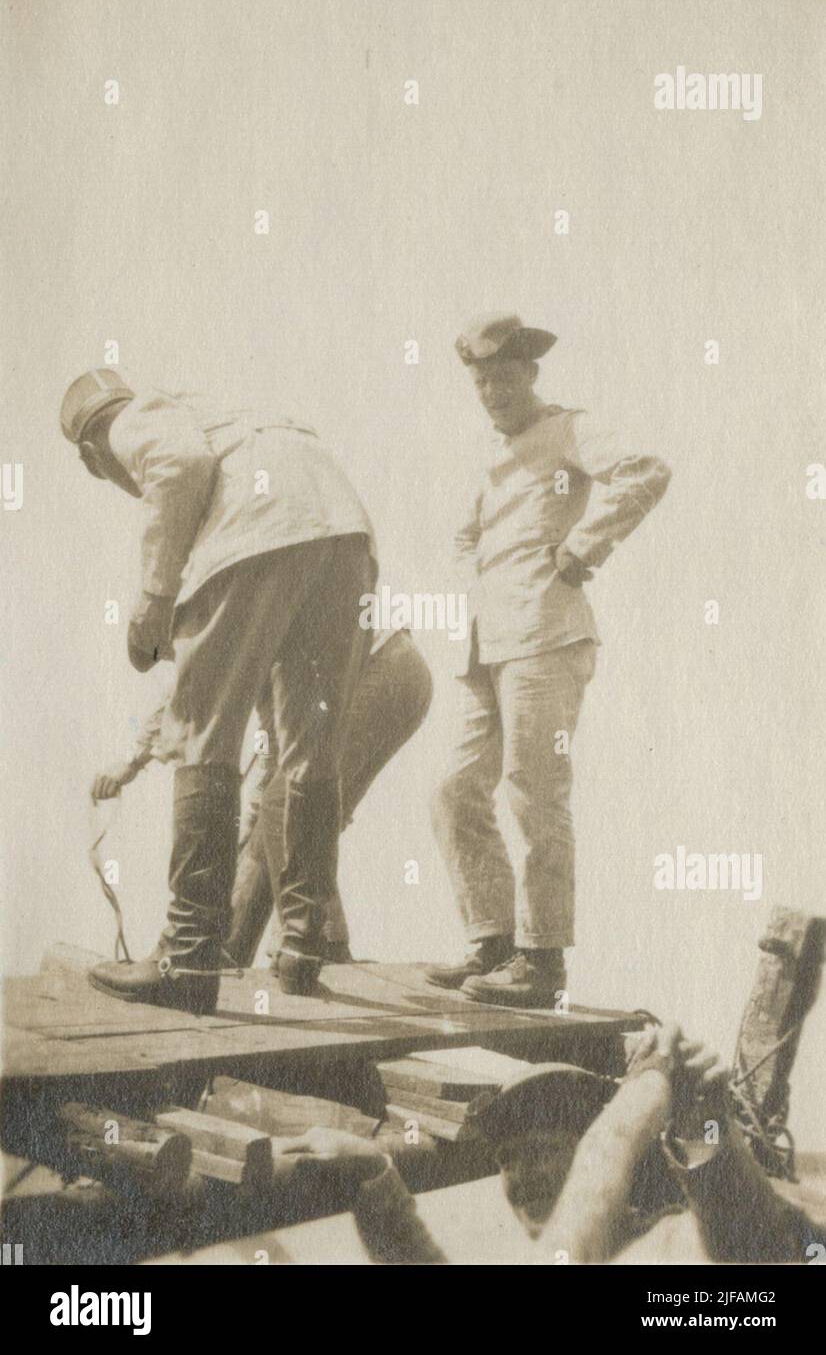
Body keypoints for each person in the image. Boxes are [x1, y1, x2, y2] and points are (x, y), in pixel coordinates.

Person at [61, 368, 376, 1005]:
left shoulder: (128, 421)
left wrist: (155, 597)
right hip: (341, 528)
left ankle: (189, 958)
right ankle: (303, 947)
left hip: (260, 529)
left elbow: (176, 464)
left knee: (206, 740)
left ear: (95, 456)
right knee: (310, 746)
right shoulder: (213, 400)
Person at [427, 314, 672, 1006]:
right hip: (486, 646)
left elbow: (646, 471)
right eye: (481, 382)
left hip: (546, 636)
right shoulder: (487, 452)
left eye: (504, 378)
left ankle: (541, 962)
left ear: (531, 374)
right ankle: (494, 942)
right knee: (453, 787)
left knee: (534, 792)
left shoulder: (567, 429)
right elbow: (463, 537)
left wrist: (584, 547)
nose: (493, 392)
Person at [278, 1024, 826, 1265]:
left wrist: (684, 1117)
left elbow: (754, 1248)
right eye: (507, 1160)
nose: (522, 1176)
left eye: (542, 1149)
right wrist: (377, 1181)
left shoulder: (677, 1249)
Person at [91, 626, 433, 966]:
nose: (174, 659)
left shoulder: (217, 624)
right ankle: (242, 951)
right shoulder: (257, 657)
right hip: (401, 672)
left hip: (381, 667)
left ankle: (317, 947)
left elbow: (181, 695)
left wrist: (131, 762)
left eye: (167, 653)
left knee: (285, 810)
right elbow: (275, 759)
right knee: (291, 818)